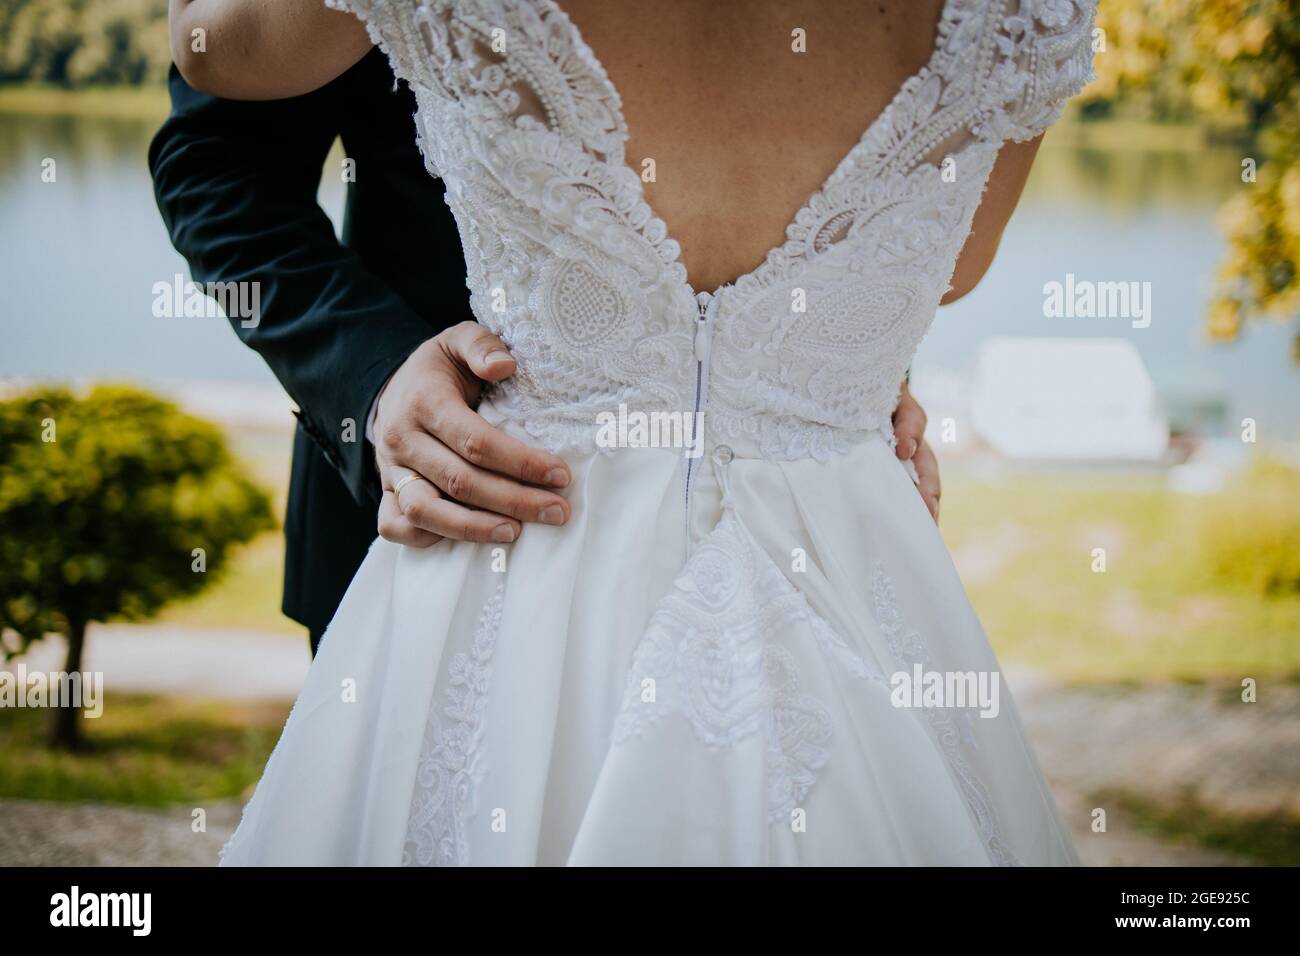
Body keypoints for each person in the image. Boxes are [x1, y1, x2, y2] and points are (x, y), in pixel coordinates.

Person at [171, 0, 1097, 865]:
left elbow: (210, 43)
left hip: (516, 556)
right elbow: (952, 257)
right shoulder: (1021, 17)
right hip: (483, 498)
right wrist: (372, 381)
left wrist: (815, 361)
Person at [152, 0, 942, 657]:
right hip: (449, 524)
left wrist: (835, 345)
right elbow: (216, 159)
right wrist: (375, 377)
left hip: (805, 529)